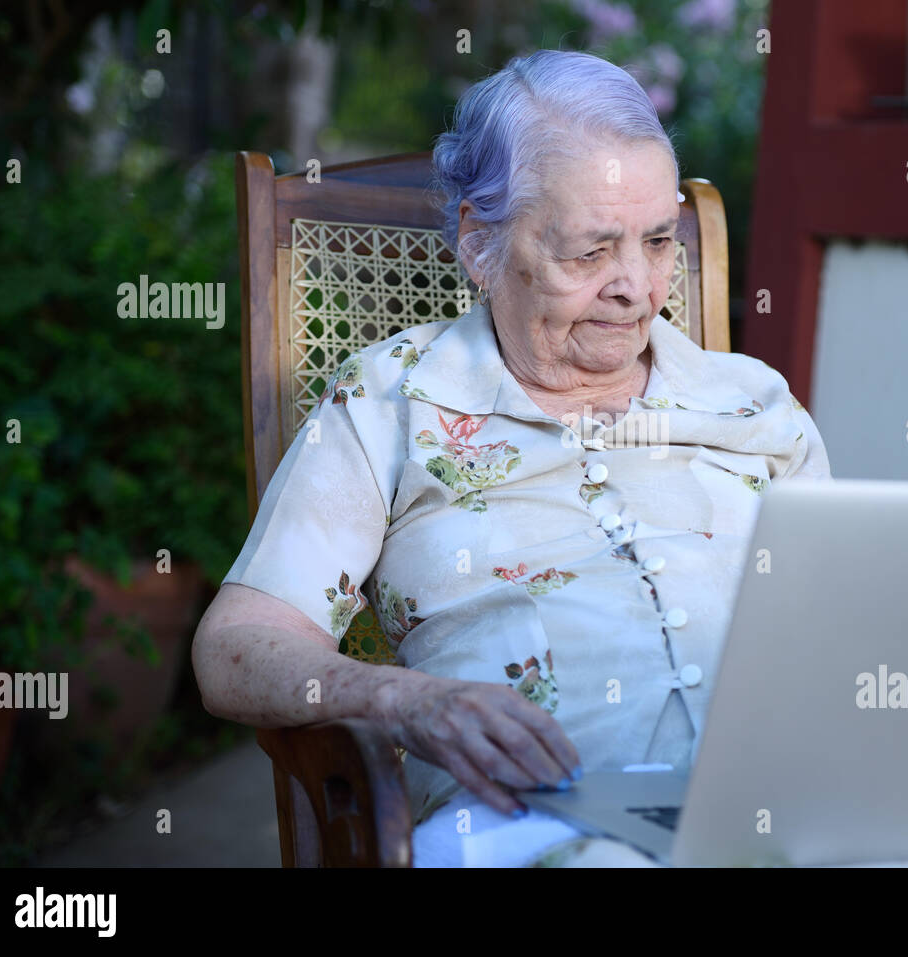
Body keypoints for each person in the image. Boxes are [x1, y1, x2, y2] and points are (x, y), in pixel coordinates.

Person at [192, 48, 832, 867]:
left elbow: (843, 631)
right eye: (590, 252)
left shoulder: (756, 402)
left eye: (660, 241)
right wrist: (409, 702)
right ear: (480, 243)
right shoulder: (391, 401)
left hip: (788, 810)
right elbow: (236, 647)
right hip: (546, 827)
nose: (638, 286)